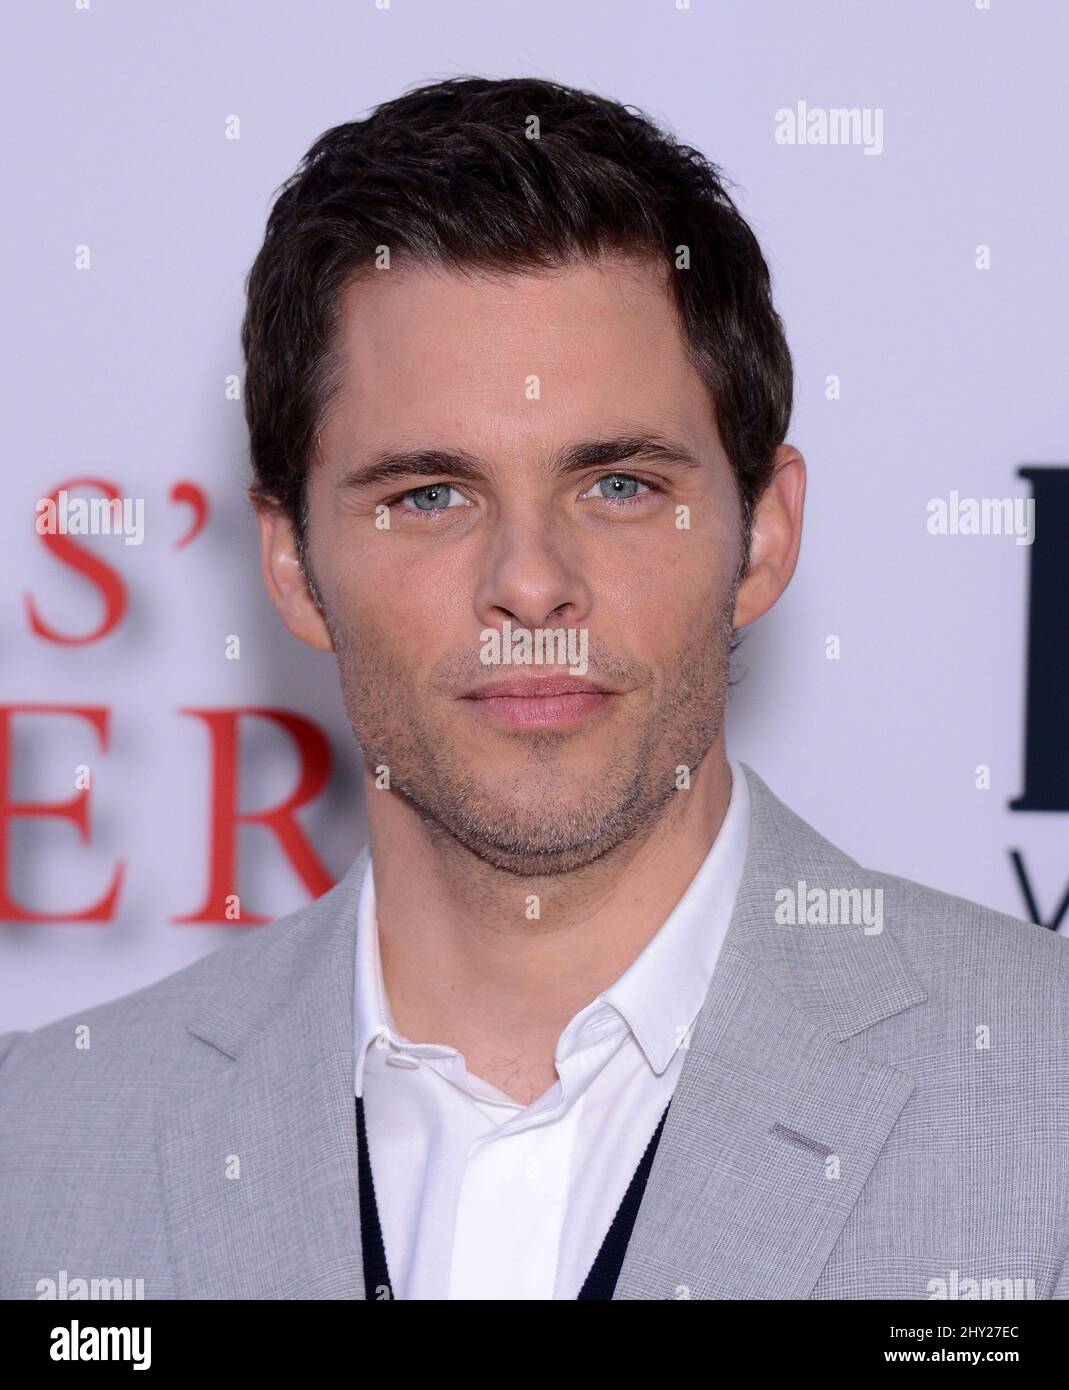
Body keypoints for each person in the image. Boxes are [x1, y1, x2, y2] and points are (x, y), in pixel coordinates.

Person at [2, 76, 1066, 1302]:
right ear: (291, 563)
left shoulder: (1045, 1103)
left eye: (615, 483)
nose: (531, 584)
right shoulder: (41, 1149)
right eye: (429, 495)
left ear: (764, 535)